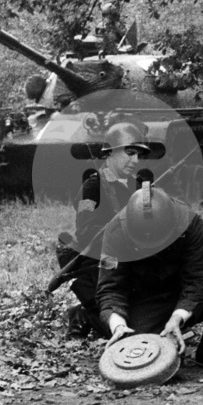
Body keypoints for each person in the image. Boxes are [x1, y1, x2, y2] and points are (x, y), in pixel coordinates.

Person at [97, 184, 203, 370]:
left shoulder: (191, 223)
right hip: (146, 297)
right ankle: (85, 316)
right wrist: (118, 325)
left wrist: (177, 318)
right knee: (138, 344)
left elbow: (196, 281)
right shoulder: (114, 231)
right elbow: (110, 287)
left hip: (184, 291)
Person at [59, 121, 151, 339]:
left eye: (138, 155)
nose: (135, 161)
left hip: (137, 261)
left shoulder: (142, 187)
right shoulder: (93, 187)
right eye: (129, 153)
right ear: (110, 152)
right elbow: (86, 232)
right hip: (105, 262)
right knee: (129, 329)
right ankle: (85, 314)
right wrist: (124, 233)